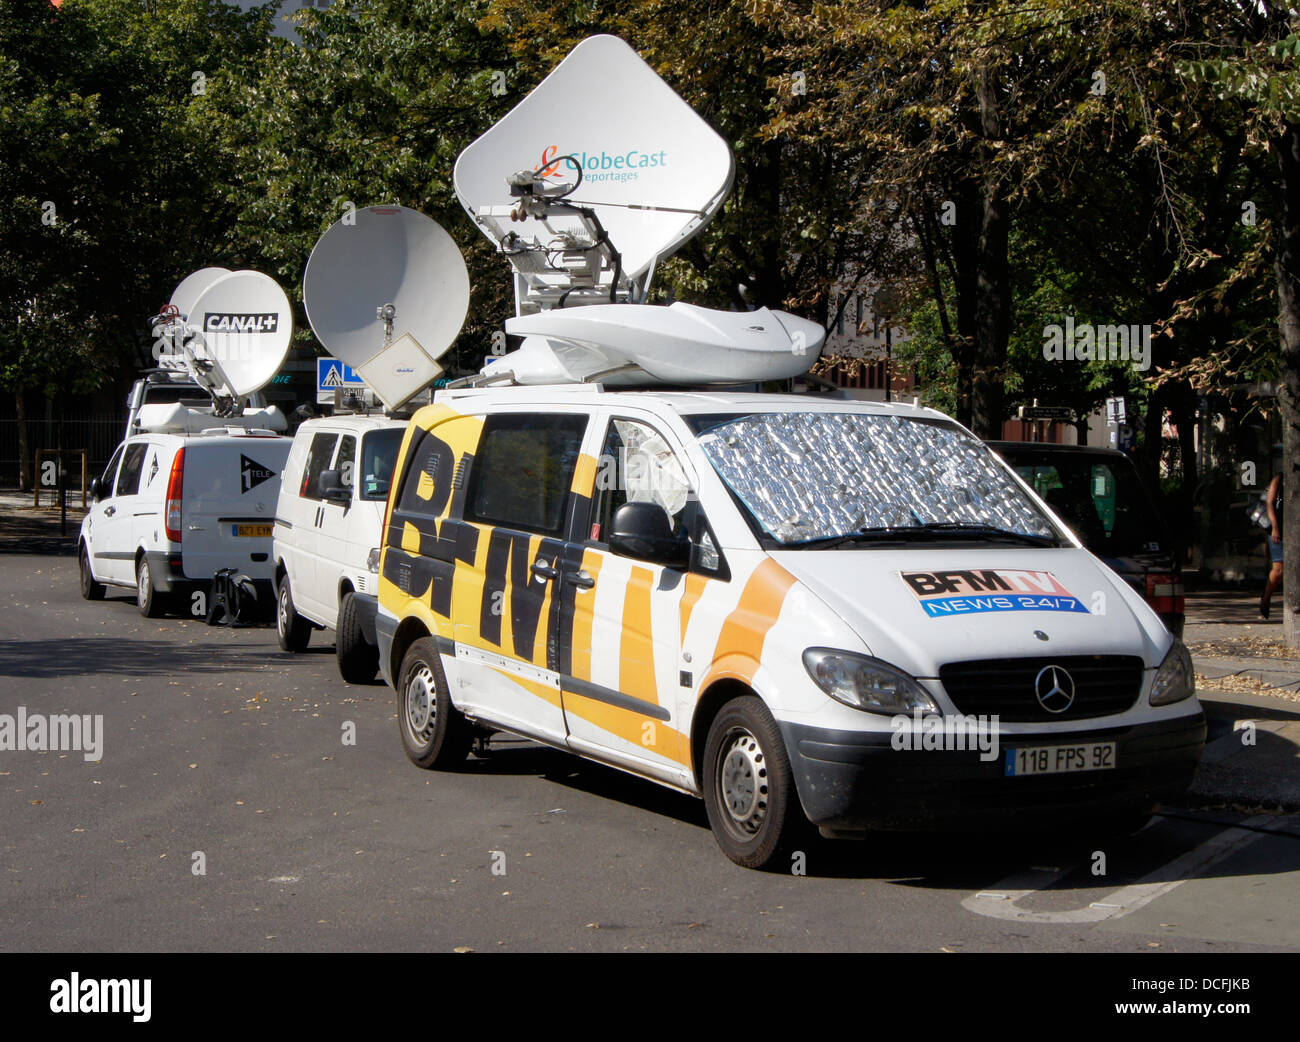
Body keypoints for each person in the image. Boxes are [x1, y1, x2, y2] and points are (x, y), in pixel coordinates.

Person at [1261, 473, 1283, 619]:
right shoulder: (1280, 478)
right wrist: (1275, 527)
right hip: (1279, 530)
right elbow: (1269, 503)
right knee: (1279, 570)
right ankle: (1266, 598)